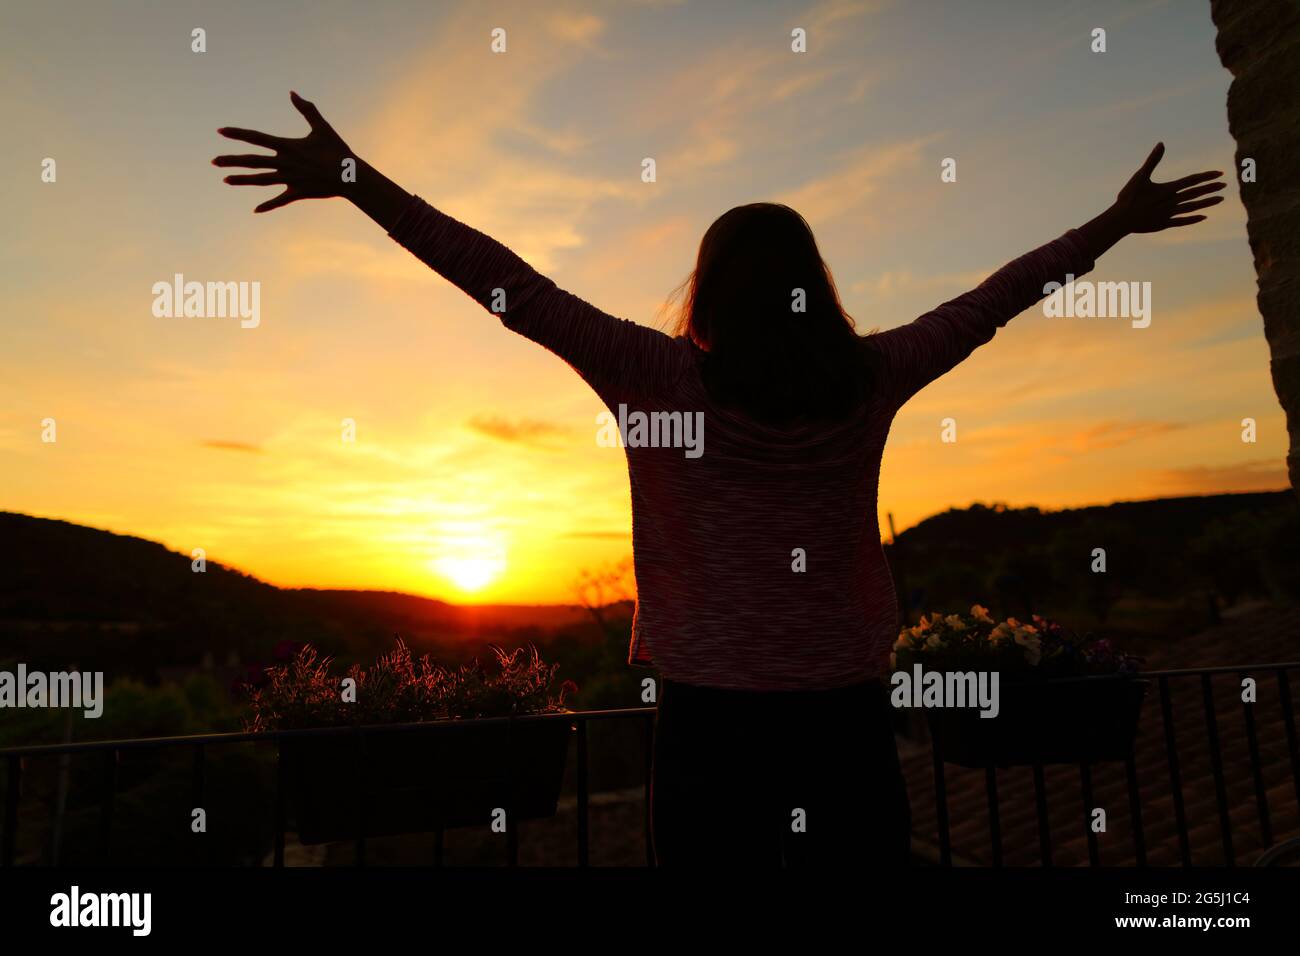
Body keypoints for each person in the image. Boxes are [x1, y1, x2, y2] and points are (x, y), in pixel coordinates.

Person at [215, 92, 1225, 866]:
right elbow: (997, 296)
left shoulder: (650, 372)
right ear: (810, 284)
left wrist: (355, 177)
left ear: (708, 286)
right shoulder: (869, 377)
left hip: (708, 718)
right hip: (845, 712)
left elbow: (505, 283)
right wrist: (1113, 222)